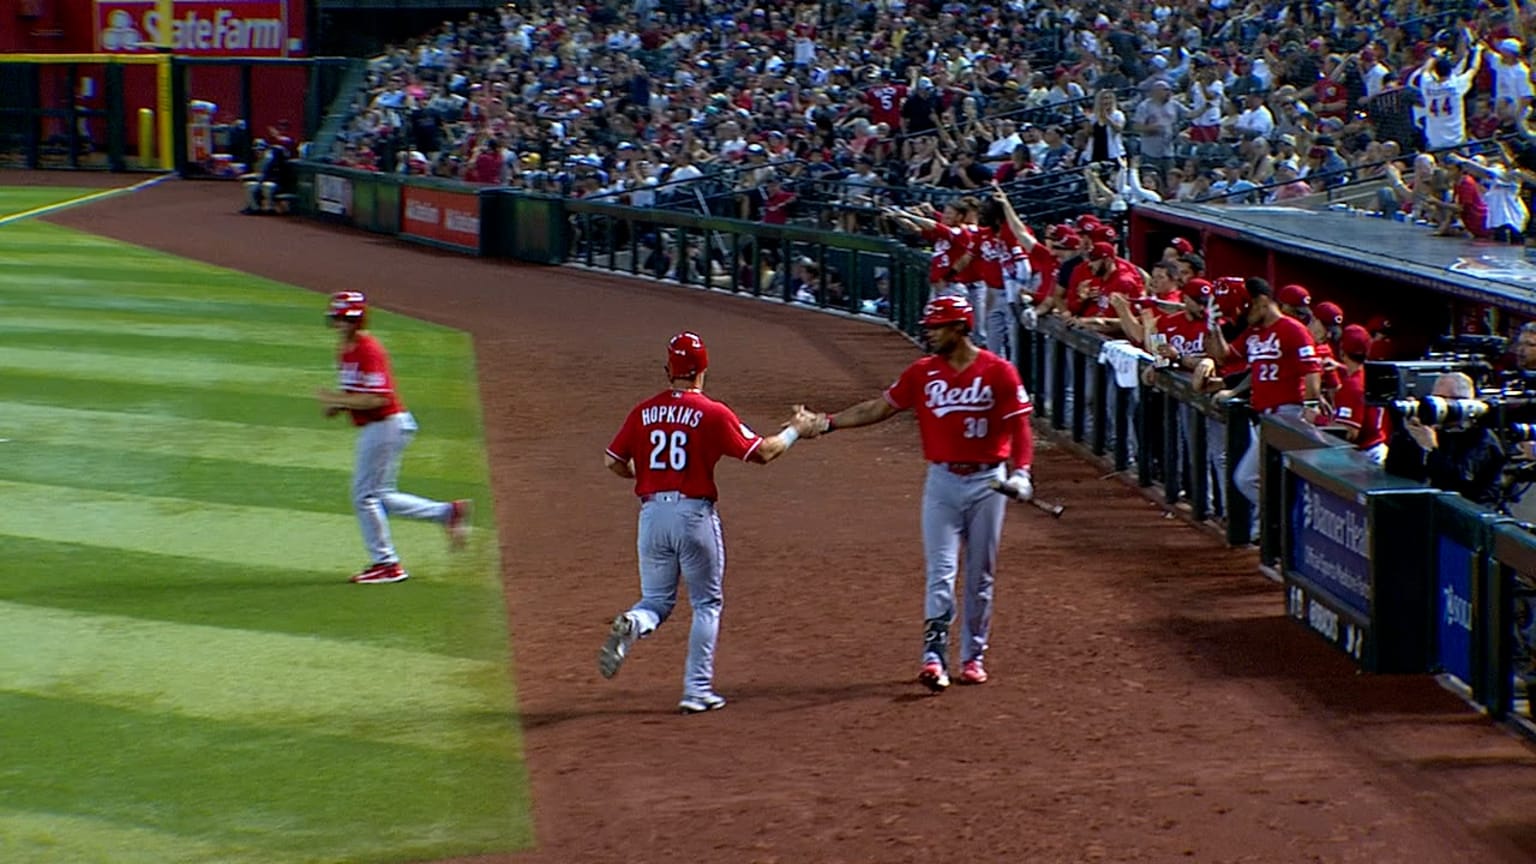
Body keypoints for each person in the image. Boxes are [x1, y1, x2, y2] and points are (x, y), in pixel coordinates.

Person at [793, 296, 1035, 692]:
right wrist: (828, 423)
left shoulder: (999, 372)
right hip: (941, 481)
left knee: (980, 575)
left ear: (959, 328)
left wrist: (1022, 472)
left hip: (988, 483)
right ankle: (934, 657)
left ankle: (973, 655)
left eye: (938, 326)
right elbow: (879, 408)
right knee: (941, 571)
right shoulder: (923, 373)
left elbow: (1020, 426)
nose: (930, 332)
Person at [598, 332, 817, 714]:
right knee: (706, 603)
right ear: (702, 370)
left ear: (669, 369)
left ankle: (633, 622)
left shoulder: (642, 412)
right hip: (693, 515)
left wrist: (648, 474)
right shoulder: (713, 413)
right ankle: (696, 691)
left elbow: (612, 461)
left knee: (656, 601)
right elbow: (763, 453)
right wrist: (796, 429)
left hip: (651, 516)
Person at [314, 291, 471, 584]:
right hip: (379, 427)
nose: (340, 324)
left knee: (364, 496)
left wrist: (338, 399)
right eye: (337, 318)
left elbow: (377, 400)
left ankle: (387, 564)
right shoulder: (345, 350)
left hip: (385, 425)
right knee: (381, 496)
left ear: (358, 319)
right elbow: (357, 395)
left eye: (345, 318)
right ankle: (447, 513)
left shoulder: (368, 349)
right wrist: (338, 404)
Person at [1205, 277, 1323, 535]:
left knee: (1249, 479)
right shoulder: (1255, 333)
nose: (1244, 317)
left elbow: (1311, 370)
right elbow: (1224, 356)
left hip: (1288, 416)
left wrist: (1311, 405)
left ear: (1261, 301)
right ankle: (1279, 531)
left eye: (1246, 309)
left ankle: (1283, 530)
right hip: (1264, 418)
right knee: (1265, 480)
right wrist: (1213, 327)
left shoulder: (1292, 329)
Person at [1384, 372, 1506, 506]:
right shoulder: (1434, 429)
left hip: (1470, 513)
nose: (1437, 406)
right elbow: (1394, 469)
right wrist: (1406, 433)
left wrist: (1431, 448)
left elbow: (1456, 484)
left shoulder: (1481, 438)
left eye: (1444, 400)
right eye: (1435, 398)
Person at [1323, 324, 1390, 465]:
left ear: (1342, 351)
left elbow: (1348, 433)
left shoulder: (1352, 386)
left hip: (1365, 458)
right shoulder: (1372, 374)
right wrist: (1339, 367)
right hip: (1378, 449)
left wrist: (1317, 419)